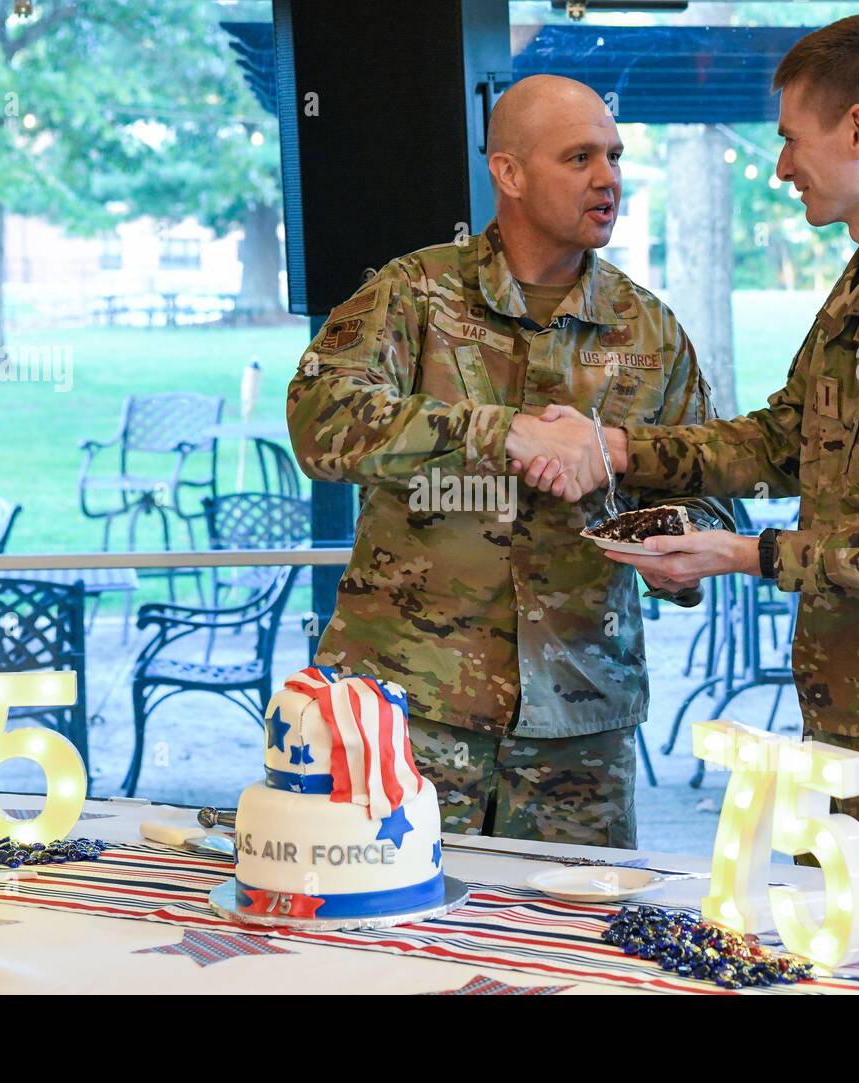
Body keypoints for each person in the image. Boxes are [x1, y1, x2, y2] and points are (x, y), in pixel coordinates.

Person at [532, 16, 859, 884]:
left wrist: (742, 553)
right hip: (856, 727)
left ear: (858, 130)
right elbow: (780, 441)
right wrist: (615, 446)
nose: (779, 167)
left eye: (789, 139)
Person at [287, 75, 724, 847]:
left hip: (579, 731)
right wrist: (501, 432)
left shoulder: (649, 331)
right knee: (392, 952)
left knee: (571, 956)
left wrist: (674, 549)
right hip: (408, 717)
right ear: (509, 173)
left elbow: (708, 490)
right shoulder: (412, 295)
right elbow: (320, 425)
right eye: (580, 157)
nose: (608, 179)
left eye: (615, 157)